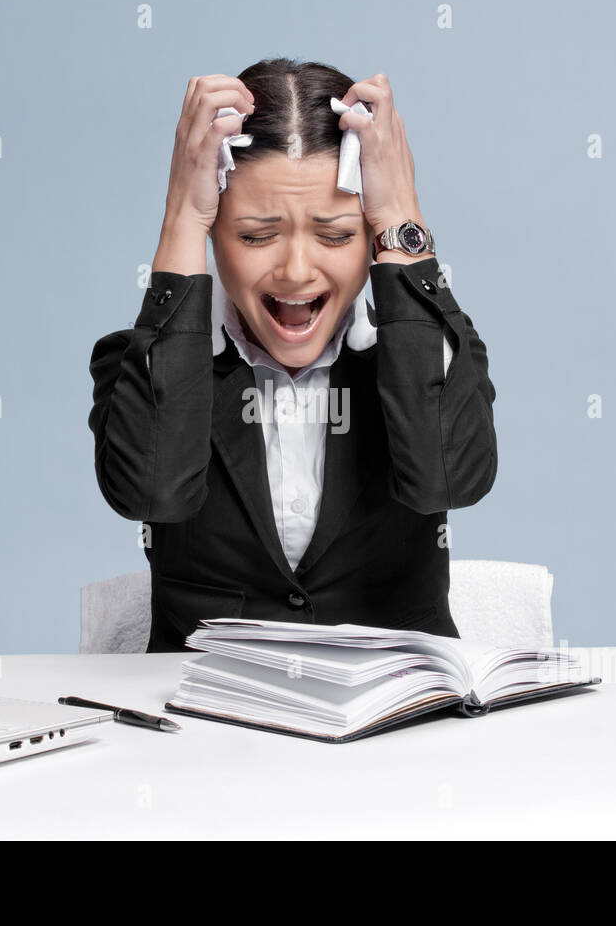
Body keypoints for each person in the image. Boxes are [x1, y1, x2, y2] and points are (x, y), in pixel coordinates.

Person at [88, 58, 497, 652]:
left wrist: (401, 216)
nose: (297, 271)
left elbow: (447, 481)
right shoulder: (143, 361)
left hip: (397, 720)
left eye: (335, 235)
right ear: (214, 233)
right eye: (255, 235)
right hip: (205, 721)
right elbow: (153, 493)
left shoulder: (424, 352)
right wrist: (181, 218)